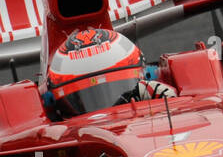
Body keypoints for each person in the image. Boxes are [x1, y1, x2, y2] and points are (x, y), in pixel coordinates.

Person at [42, 27, 174, 118]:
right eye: (85, 98)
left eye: (117, 89)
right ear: (51, 100)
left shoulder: (155, 93)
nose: (106, 114)